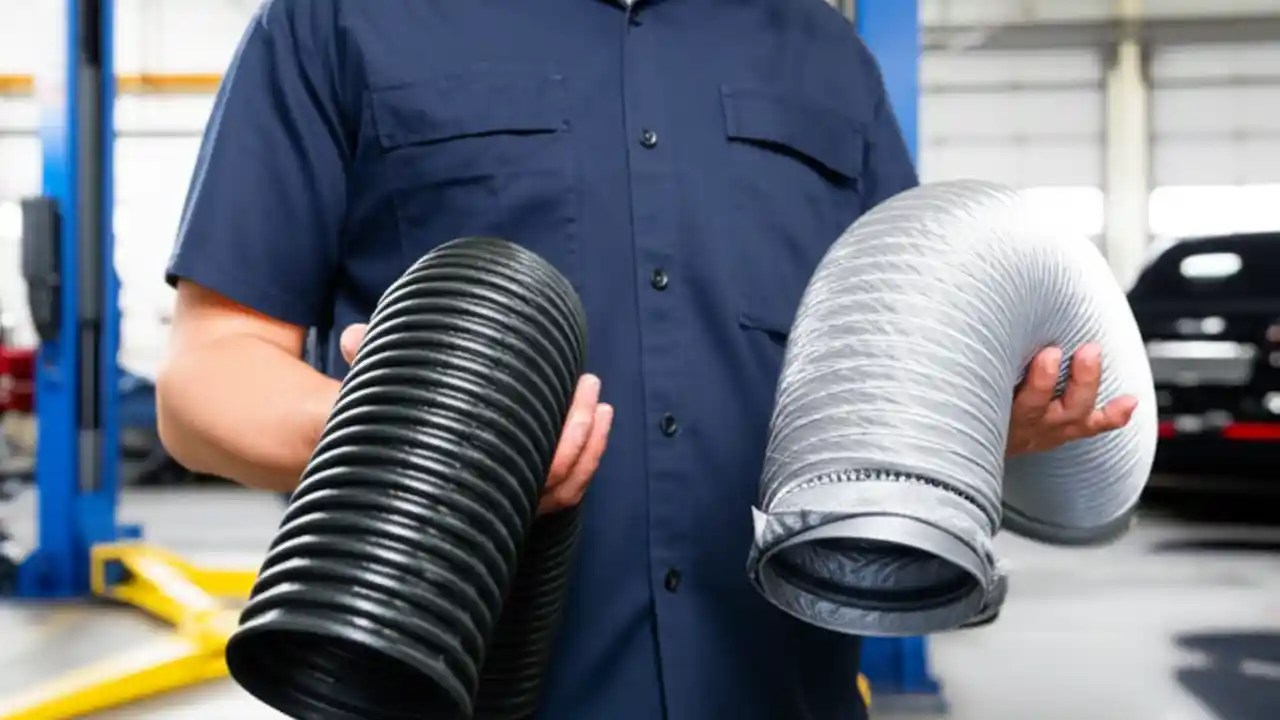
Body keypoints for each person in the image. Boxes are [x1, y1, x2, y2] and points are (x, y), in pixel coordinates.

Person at [156, 1, 1138, 718]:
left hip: (776, 690)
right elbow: (207, 381)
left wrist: (961, 427)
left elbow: (891, 353)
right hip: (462, 686)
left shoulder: (823, 54)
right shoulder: (340, 20)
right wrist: (438, 446)